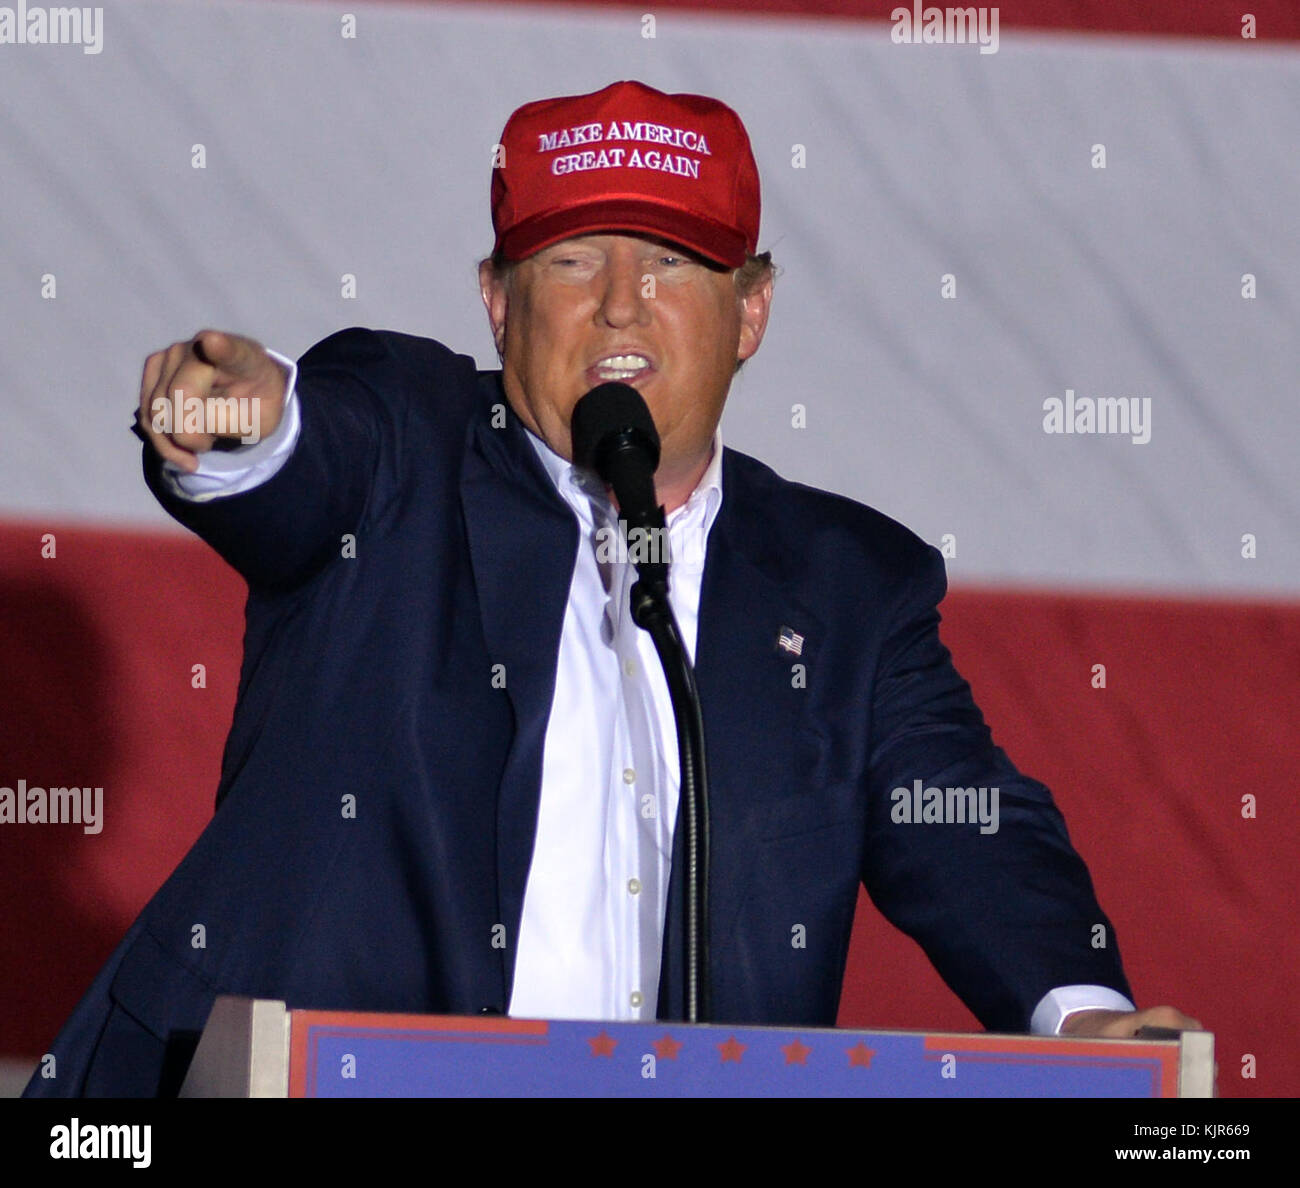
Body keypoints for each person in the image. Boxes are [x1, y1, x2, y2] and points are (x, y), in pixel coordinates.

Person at [26, 80, 1196, 1098]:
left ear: (751, 312)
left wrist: (1078, 1010)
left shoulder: (847, 589)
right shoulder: (404, 448)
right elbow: (303, 446)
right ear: (497, 299)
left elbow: (964, 827)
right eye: (574, 259)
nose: (622, 303)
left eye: (673, 261)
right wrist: (239, 425)